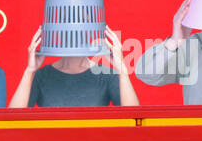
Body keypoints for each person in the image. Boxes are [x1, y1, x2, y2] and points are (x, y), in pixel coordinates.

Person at [9, 25, 140, 108]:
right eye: (67, 24)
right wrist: (29, 71)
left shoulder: (105, 75)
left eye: (82, 24)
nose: (74, 29)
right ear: (58, 30)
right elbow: (12, 122)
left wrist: (122, 70)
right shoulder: (42, 76)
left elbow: (134, 118)